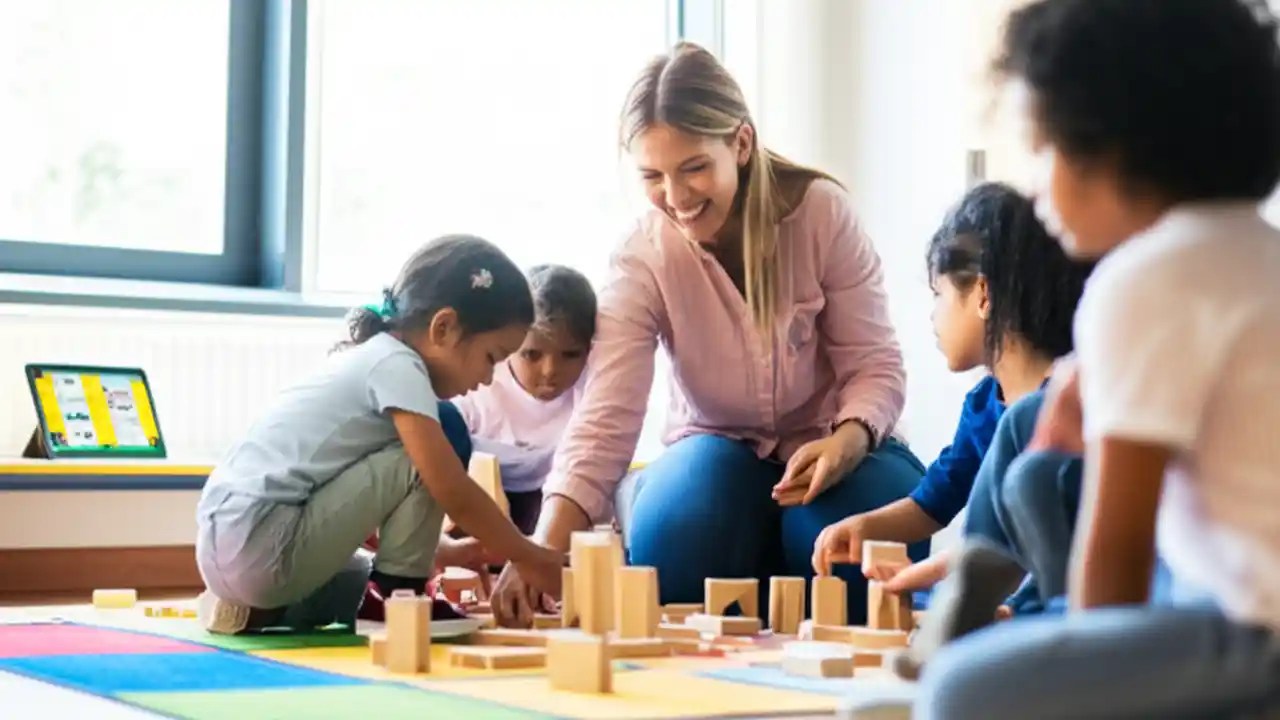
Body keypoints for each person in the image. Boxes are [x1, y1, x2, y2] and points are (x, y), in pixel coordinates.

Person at [916, 1, 1280, 717]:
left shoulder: (1142, 281)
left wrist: (1081, 673)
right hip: (1226, 608)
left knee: (956, 688)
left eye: (1045, 152)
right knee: (1041, 465)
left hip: (1244, 630)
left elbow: (1118, 544)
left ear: (1113, 148)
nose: (1036, 190)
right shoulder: (1257, 251)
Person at [490, 41, 925, 627]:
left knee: (842, 540)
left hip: (842, 447)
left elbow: (875, 365)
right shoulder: (643, 256)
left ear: (740, 144)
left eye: (694, 167)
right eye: (653, 176)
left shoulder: (822, 214)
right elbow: (606, 417)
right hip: (715, 448)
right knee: (682, 531)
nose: (676, 197)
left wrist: (846, 442)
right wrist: (538, 549)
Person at [194, 235, 565, 634]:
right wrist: (529, 555)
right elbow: (451, 490)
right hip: (265, 537)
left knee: (359, 583)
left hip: (227, 543)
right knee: (423, 462)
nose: (488, 378)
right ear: (444, 328)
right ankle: (397, 600)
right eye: (490, 357)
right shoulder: (399, 367)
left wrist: (439, 553)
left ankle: (257, 610)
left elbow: (345, 504)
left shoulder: (371, 360)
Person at [810, 183, 1091, 600]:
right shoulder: (982, 406)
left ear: (983, 294)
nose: (933, 316)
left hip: (1051, 591)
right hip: (992, 582)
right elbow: (934, 502)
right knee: (923, 601)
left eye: (938, 294)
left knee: (938, 604)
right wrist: (864, 527)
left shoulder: (1065, 408)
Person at [454, 264, 596, 538]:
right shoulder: (482, 384)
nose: (550, 371)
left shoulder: (592, 389)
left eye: (570, 355)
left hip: (550, 496)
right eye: (532, 355)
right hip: (476, 494)